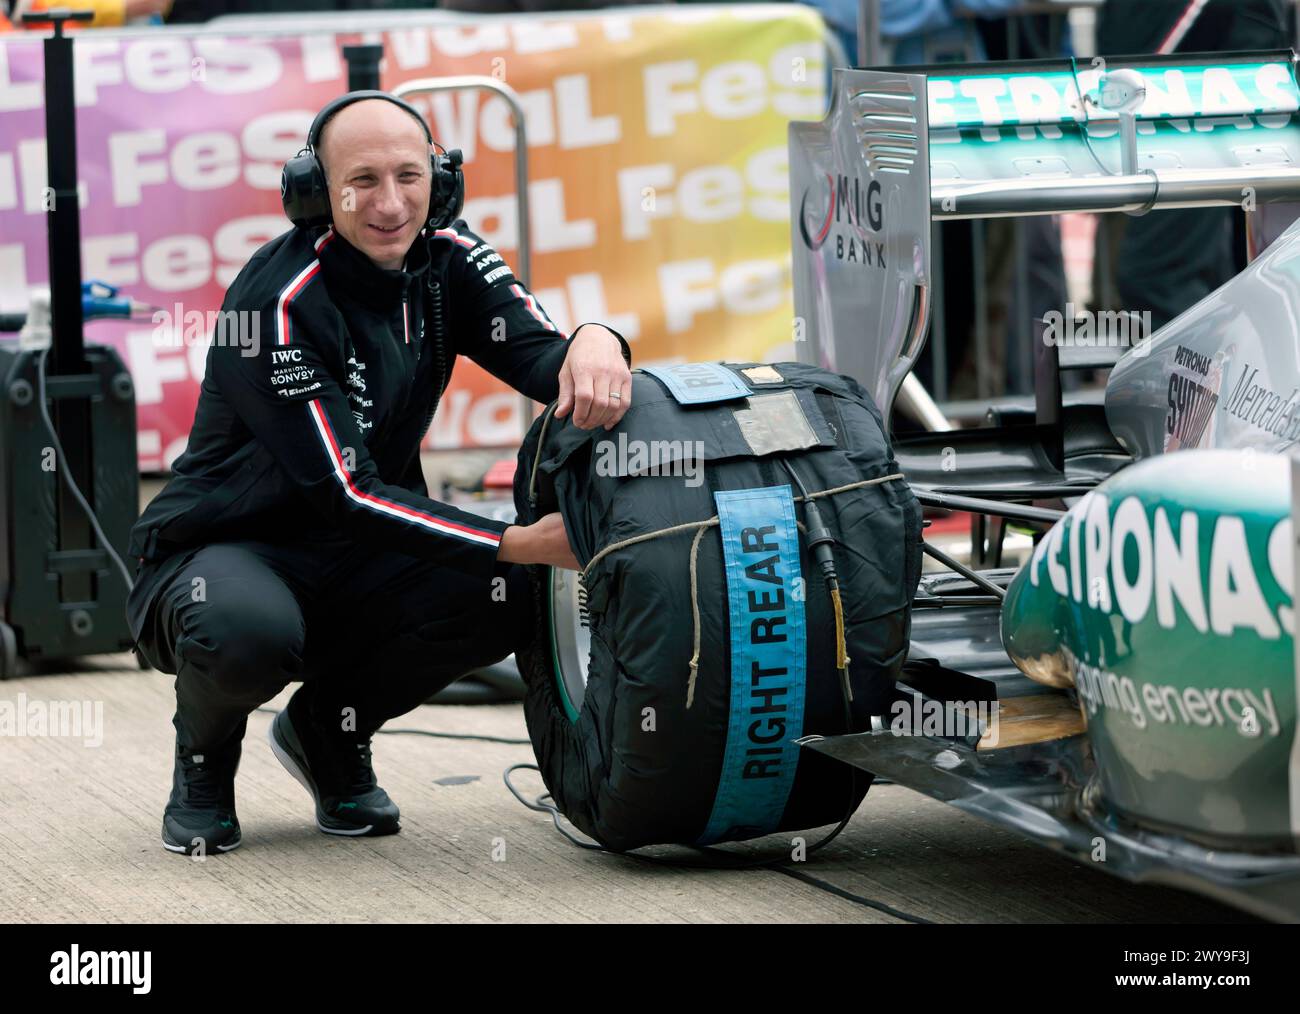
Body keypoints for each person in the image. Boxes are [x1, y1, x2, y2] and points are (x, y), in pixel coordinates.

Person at [126, 91, 632, 856]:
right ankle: (203, 760)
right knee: (244, 631)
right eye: (361, 180)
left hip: (360, 555)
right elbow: (347, 491)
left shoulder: (449, 257)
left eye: (408, 176)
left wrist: (598, 337)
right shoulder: (277, 306)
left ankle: (330, 732)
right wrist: (519, 537)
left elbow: (543, 359)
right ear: (314, 194)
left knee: (503, 594)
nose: (390, 203)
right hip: (224, 552)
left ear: (440, 180)